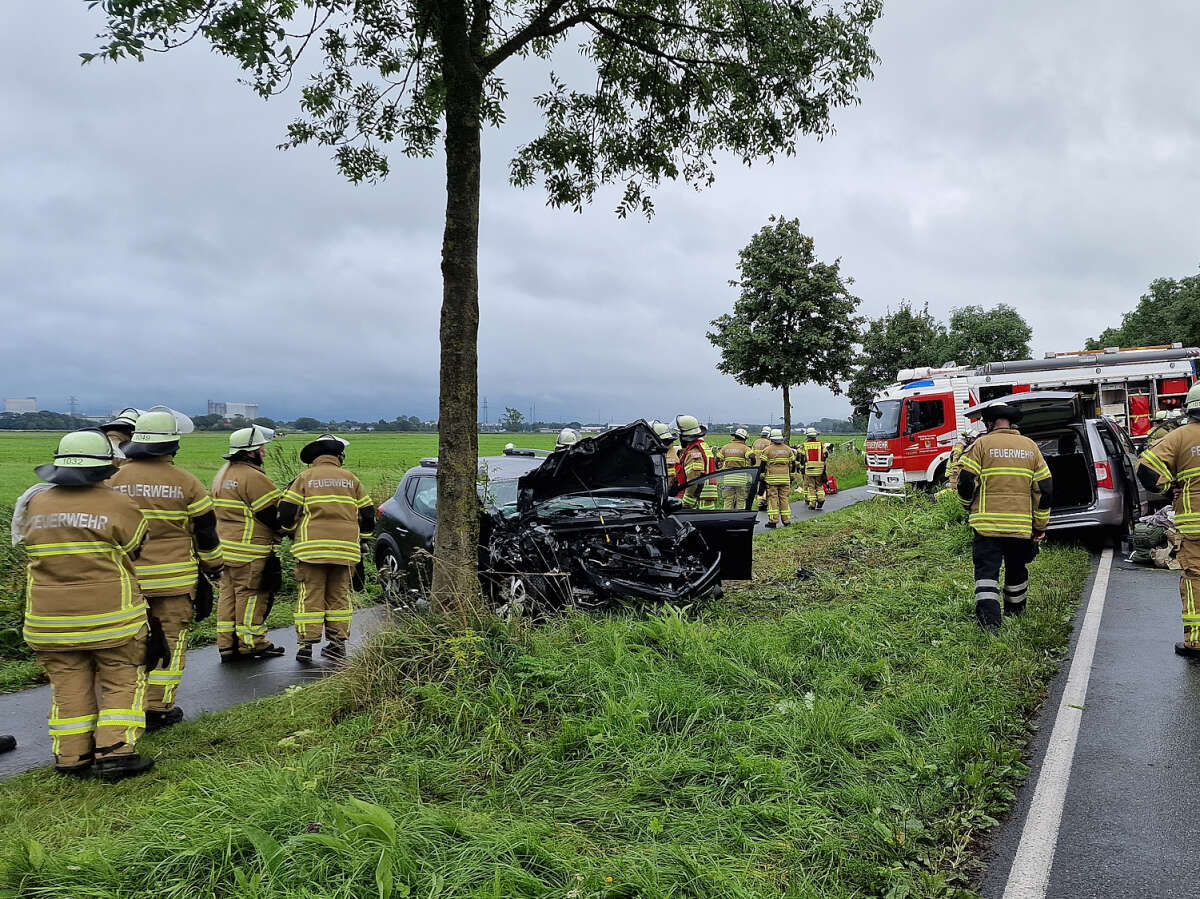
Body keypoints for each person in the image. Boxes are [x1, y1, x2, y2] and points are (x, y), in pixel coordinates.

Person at [17, 430, 154, 779]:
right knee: (121, 679)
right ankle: (114, 752)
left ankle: (71, 756)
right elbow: (136, 548)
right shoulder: (119, 504)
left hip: (48, 621)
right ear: (106, 467)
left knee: (67, 685)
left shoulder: (35, 502)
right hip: (113, 619)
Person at [109, 410, 222, 729]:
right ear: (173, 445)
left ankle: (127, 708)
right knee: (170, 641)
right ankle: (158, 708)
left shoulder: (115, 480)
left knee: (131, 645)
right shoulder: (186, 482)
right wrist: (214, 568)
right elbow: (206, 534)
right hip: (175, 582)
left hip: (127, 583)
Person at [277, 435, 375, 663]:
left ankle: (305, 647)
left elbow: (286, 514)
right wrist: (362, 539)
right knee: (340, 597)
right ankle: (337, 645)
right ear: (339, 456)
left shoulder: (304, 478)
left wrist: (292, 530)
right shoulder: (351, 479)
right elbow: (369, 514)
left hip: (311, 551)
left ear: (315, 458)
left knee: (309, 596)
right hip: (345, 552)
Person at [957, 402, 1053, 632]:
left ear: (989, 422)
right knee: (1017, 570)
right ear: (1012, 422)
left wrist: (966, 506)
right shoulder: (1030, 447)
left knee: (987, 576)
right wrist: (1039, 525)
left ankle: (990, 624)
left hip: (986, 527)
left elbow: (966, 482)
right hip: (1020, 526)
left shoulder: (981, 445)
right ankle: (1016, 613)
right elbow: (1045, 488)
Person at [211, 425, 287, 662]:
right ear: (250, 452)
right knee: (252, 595)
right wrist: (289, 527)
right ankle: (253, 644)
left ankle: (227, 645)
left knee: (228, 597)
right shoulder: (253, 477)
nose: (264, 452)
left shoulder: (224, 472)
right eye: (260, 449)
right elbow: (271, 515)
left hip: (226, 548)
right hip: (251, 550)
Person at [1137, 383, 1200, 657]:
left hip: (1195, 525)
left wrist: (1167, 487)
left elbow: (1146, 468)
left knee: (1195, 578)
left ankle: (1196, 641)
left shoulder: (1179, 437)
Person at [675, 415, 718, 509]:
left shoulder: (693, 453)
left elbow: (694, 480)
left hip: (697, 504)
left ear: (684, 436)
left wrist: (686, 503)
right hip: (704, 501)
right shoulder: (702, 446)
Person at [760, 428, 796, 528]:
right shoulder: (788, 449)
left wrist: (762, 475)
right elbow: (793, 463)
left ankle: (773, 520)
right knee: (784, 499)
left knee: (772, 499)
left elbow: (763, 465)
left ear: (771, 438)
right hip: (785, 479)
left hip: (772, 480)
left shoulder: (767, 450)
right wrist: (791, 475)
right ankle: (786, 520)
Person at [716, 427, 755, 510]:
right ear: (744, 439)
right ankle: (739, 518)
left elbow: (717, 461)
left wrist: (720, 467)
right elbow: (752, 458)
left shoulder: (725, 447)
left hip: (728, 479)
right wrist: (750, 465)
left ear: (735, 437)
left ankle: (726, 519)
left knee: (728, 500)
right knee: (741, 500)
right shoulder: (746, 448)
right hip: (741, 480)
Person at [801, 427, 828, 510]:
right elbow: (826, 454)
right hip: (820, 469)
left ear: (807, 436)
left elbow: (800, 457)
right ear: (815, 436)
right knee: (819, 485)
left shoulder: (804, 445)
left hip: (809, 469)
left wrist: (801, 467)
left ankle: (812, 504)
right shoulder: (821, 444)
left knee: (811, 486)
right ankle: (821, 498)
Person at [751, 427, 772, 510]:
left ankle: (759, 502)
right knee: (766, 484)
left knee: (758, 485)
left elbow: (752, 454)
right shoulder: (769, 443)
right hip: (764, 467)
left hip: (755, 467)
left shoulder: (755, 442)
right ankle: (764, 500)